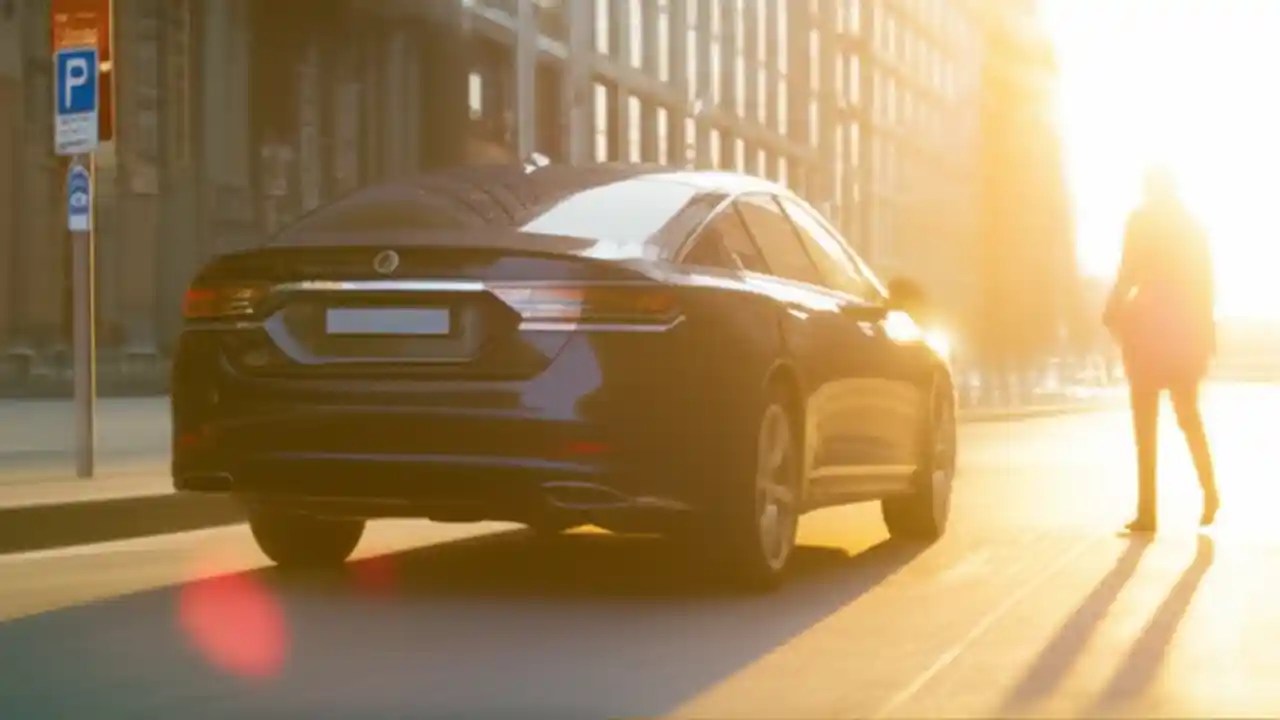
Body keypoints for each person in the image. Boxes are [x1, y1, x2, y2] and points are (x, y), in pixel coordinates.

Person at [1103, 167, 1219, 533]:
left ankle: (1148, 511)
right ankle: (1210, 491)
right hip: (1185, 332)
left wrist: (1112, 309)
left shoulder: (1141, 221)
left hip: (1149, 330)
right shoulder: (1193, 227)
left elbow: (1128, 270)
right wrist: (1205, 336)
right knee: (1188, 416)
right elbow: (1207, 284)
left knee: (1145, 424)